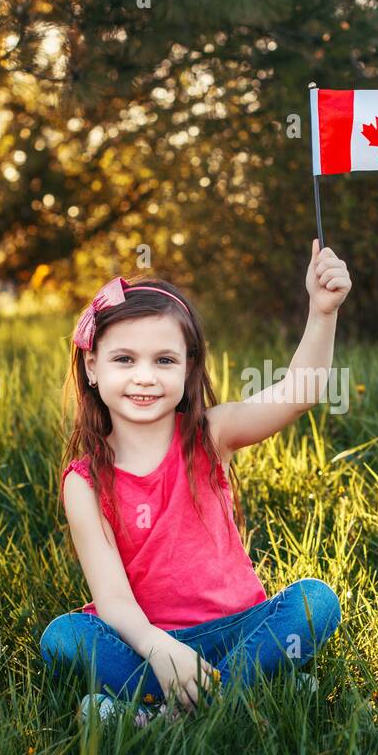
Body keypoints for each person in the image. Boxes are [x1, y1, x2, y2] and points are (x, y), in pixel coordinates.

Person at [40, 239, 351, 726]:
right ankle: (246, 691)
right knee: (64, 637)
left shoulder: (210, 435)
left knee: (314, 603)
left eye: (164, 361)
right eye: (124, 359)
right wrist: (160, 648)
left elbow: (300, 393)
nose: (145, 377)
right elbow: (114, 600)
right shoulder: (85, 482)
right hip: (146, 641)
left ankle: (163, 715)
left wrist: (323, 311)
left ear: (188, 369)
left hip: (237, 629)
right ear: (92, 367)